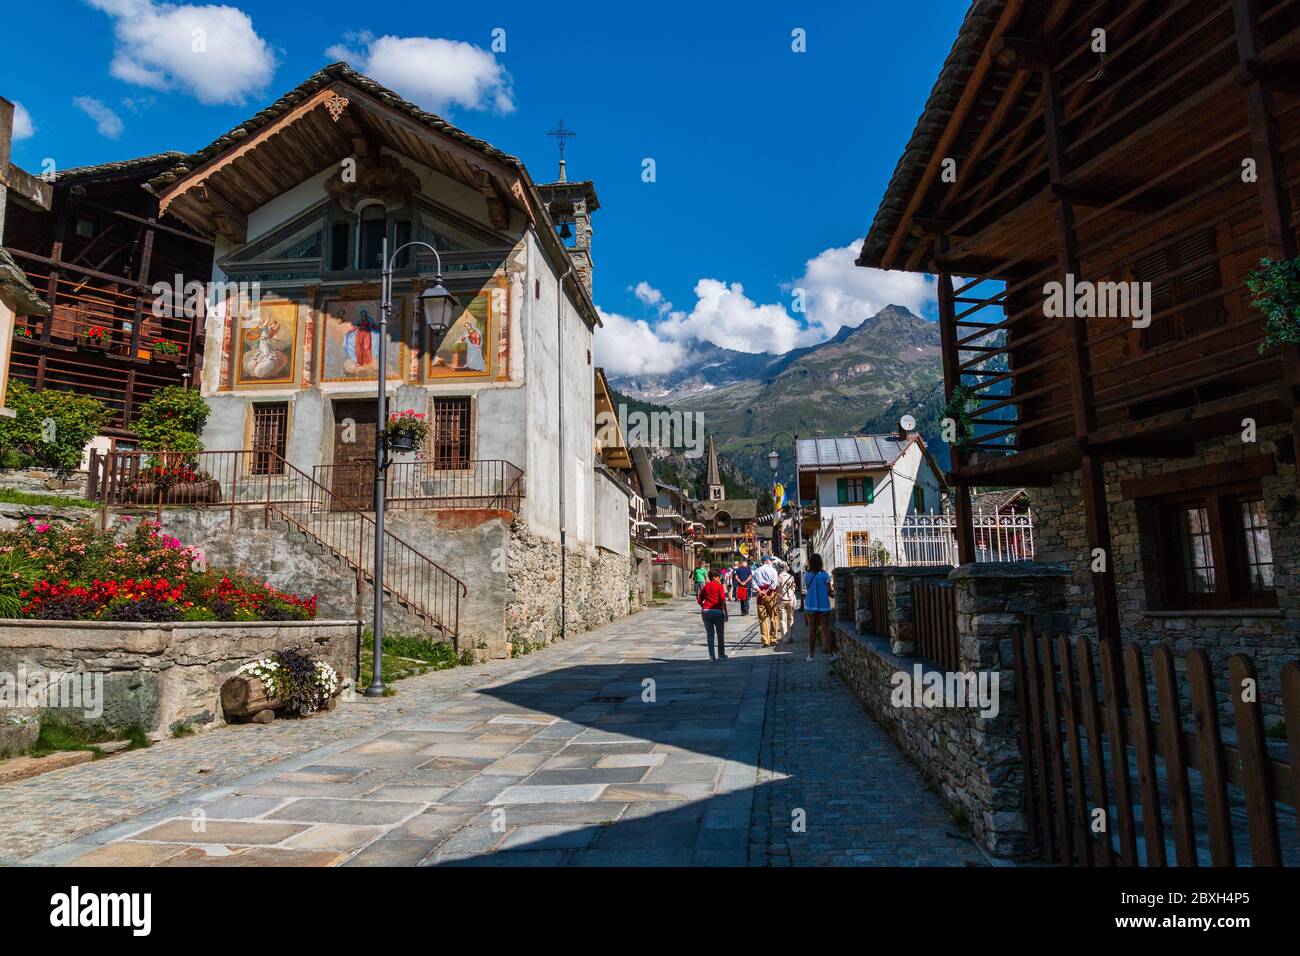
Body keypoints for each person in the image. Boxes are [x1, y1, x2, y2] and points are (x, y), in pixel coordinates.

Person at [802, 552, 835, 662]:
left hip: (811, 604)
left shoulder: (807, 575)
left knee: (811, 629)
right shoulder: (825, 575)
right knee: (826, 629)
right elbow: (829, 590)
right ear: (820, 562)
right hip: (823, 604)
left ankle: (811, 655)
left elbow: (806, 587)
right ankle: (831, 654)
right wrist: (832, 594)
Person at [697, 567, 729, 661]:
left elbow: (699, 600)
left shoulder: (706, 586)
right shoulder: (719, 586)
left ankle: (711, 656)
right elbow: (723, 600)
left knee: (710, 634)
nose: (720, 578)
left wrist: (703, 607)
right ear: (716, 576)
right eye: (719, 576)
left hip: (706, 612)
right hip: (717, 612)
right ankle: (721, 655)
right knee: (720, 634)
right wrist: (726, 612)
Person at [752, 555, 780, 647]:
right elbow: (774, 584)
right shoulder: (772, 570)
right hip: (770, 594)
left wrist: (761, 592)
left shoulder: (756, 571)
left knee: (762, 618)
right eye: (771, 560)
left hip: (760, 595)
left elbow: (754, 584)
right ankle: (773, 638)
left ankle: (765, 640)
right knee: (773, 616)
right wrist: (767, 591)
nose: (772, 562)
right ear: (767, 561)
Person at [776, 560, 797, 642]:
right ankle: (790, 635)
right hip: (791, 599)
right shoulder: (791, 577)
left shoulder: (779, 577)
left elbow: (777, 589)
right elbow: (794, 588)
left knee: (782, 619)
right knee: (790, 618)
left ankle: (785, 637)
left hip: (781, 599)